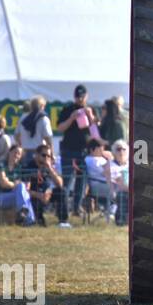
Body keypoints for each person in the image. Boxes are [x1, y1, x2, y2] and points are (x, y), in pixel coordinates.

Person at [57, 84, 97, 217]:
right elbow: (60, 128)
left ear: (86, 96)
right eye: (77, 97)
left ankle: (76, 208)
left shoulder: (91, 110)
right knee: (67, 181)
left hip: (84, 152)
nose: (80, 99)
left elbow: (95, 133)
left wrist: (90, 116)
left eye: (82, 97)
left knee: (82, 180)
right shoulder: (68, 109)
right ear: (74, 97)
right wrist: (72, 118)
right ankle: (63, 211)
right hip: (69, 150)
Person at [0, 145, 35, 226]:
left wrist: (18, 185)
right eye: (15, 152)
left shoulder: (19, 168)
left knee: (24, 192)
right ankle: (29, 220)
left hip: (13, 196)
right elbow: (3, 183)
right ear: (9, 152)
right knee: (23, 192)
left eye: (19, 154)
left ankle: (24, 217)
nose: (16, 155)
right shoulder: (1, 164)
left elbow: (26, 187)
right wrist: (15, 184)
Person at [27, 144, 71, 228]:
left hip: (47, 193)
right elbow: (25, 190)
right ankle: (39, 222)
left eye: (49, 156)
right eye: (44, 155)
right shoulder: (29, 167)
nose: (46, 158)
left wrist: (50, 168)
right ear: (37, 155)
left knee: (62, 191)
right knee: (33, 201)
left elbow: (60, 184)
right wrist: (39, 195)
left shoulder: (49, 167)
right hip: (34, 195)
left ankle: (63, 221)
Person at [83, 138, 115, 216]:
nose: (103, 149)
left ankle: (113, 209)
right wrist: (111, 160)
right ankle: (113, 210)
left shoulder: (100, 159)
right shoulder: (92, 160)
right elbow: (107, 173)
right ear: (92, 149)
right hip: (99, 185)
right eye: (100, 147)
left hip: (106, 183)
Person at [17, 96, 54, 160]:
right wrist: (52, 154)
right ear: (42, 106)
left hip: (25, 152)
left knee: (27, 169)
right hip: (40, 153)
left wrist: (22, 145)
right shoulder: (43, 118)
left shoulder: (23, 118)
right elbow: (48, 139)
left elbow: (17, 135)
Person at [109, 140, 130, 226]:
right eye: (118, 149)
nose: (121, 151)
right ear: (114, 152)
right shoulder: (110, 165)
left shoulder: (130, 164)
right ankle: (121, 220)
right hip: (116, 189)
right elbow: (115, 181)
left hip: (129, 187)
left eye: (124, 149)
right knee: (122, 194)